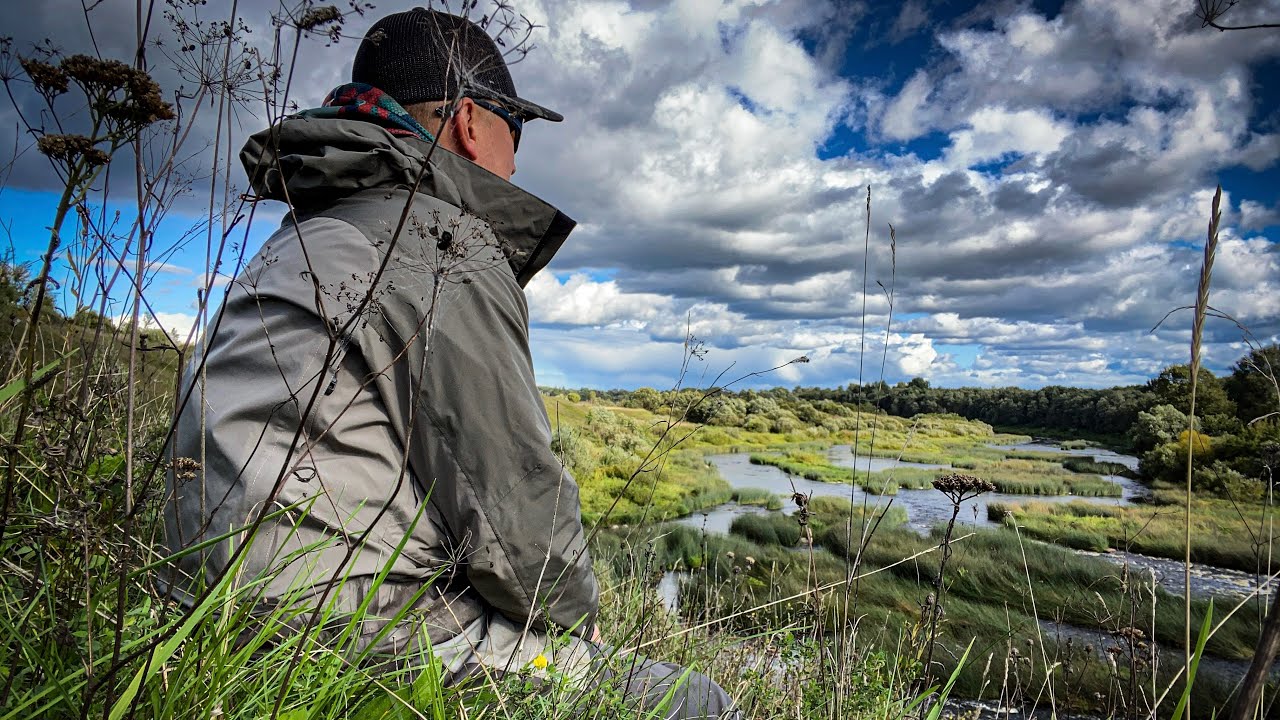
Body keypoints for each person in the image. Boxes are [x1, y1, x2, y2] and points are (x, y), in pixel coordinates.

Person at [162, 7, 739, 718]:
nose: (516, 159)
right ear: (470, 120)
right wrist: (572, 623)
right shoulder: (438, 243)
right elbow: (513, 502)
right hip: (342, 635)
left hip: (205, 615)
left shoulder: (302, 236)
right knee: (694, 700)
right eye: (512, 128)